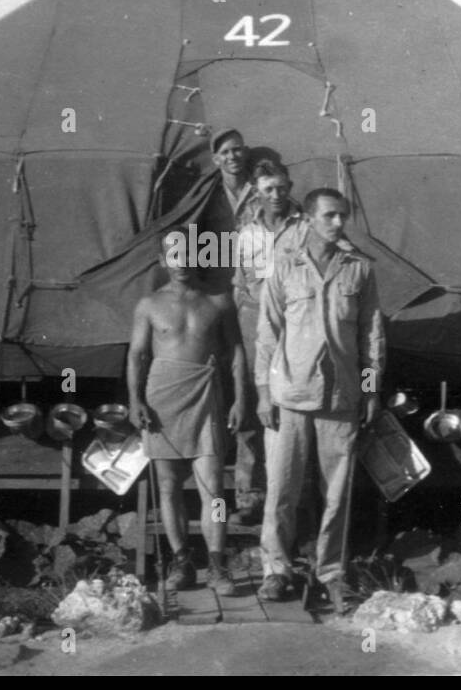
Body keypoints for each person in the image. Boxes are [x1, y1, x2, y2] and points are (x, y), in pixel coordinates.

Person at [255, 188, 385, 609]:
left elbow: (371, 336)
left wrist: (369, 390)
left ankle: (331, 572)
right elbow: (267, 333)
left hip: (341, 396)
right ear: (308, 219)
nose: (338, 223)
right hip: (290, 395)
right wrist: (262, 392)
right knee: (281, 489)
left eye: (342, 216)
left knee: (337, 492)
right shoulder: (284, 268)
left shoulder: (359, 271)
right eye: (329, 216)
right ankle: (276, 571)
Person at [128, 226, 247, 595]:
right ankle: (181, 562)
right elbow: (137, 354)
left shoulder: (219, 301)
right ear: (164, 260)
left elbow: (238, 353)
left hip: (205, 395)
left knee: (212, 486)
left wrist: (240, 399)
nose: (183, 261)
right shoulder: (149, 305)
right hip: (162, 397)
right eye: (174, 254)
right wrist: (136, 401)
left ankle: (216, 564)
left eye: (190, 253)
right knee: (168, 486)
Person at [230, 159, 308, 524]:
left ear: (290, 186)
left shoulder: (308, 228)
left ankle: (293, 497)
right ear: (257, 193)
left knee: (293, 404)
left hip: (296, 324)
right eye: (267, 190)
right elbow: (240, 283)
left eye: (281, 188)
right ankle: (249, 496)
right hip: (254, 322)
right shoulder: (246, 234)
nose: (276, 195)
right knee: (249, 406)